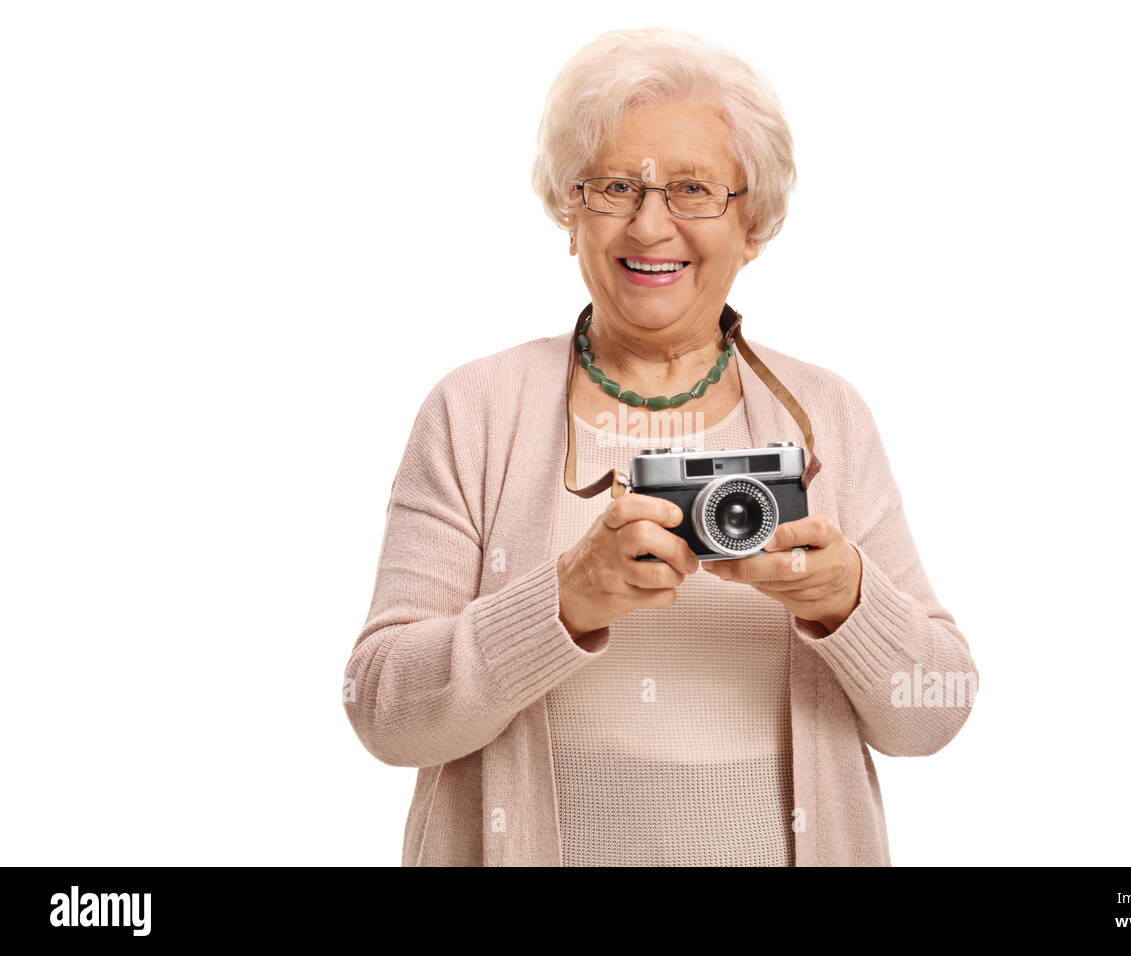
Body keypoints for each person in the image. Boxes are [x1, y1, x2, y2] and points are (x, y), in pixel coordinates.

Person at [343, 27, 978, 866]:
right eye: (614, 188)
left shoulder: (827, 417)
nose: (651, 226)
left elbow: (932, 713)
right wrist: (561, 603)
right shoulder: (476, 411)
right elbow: (385, 711)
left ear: (753, 226)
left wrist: (850, 601)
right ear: (571, 216)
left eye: (692, 190)